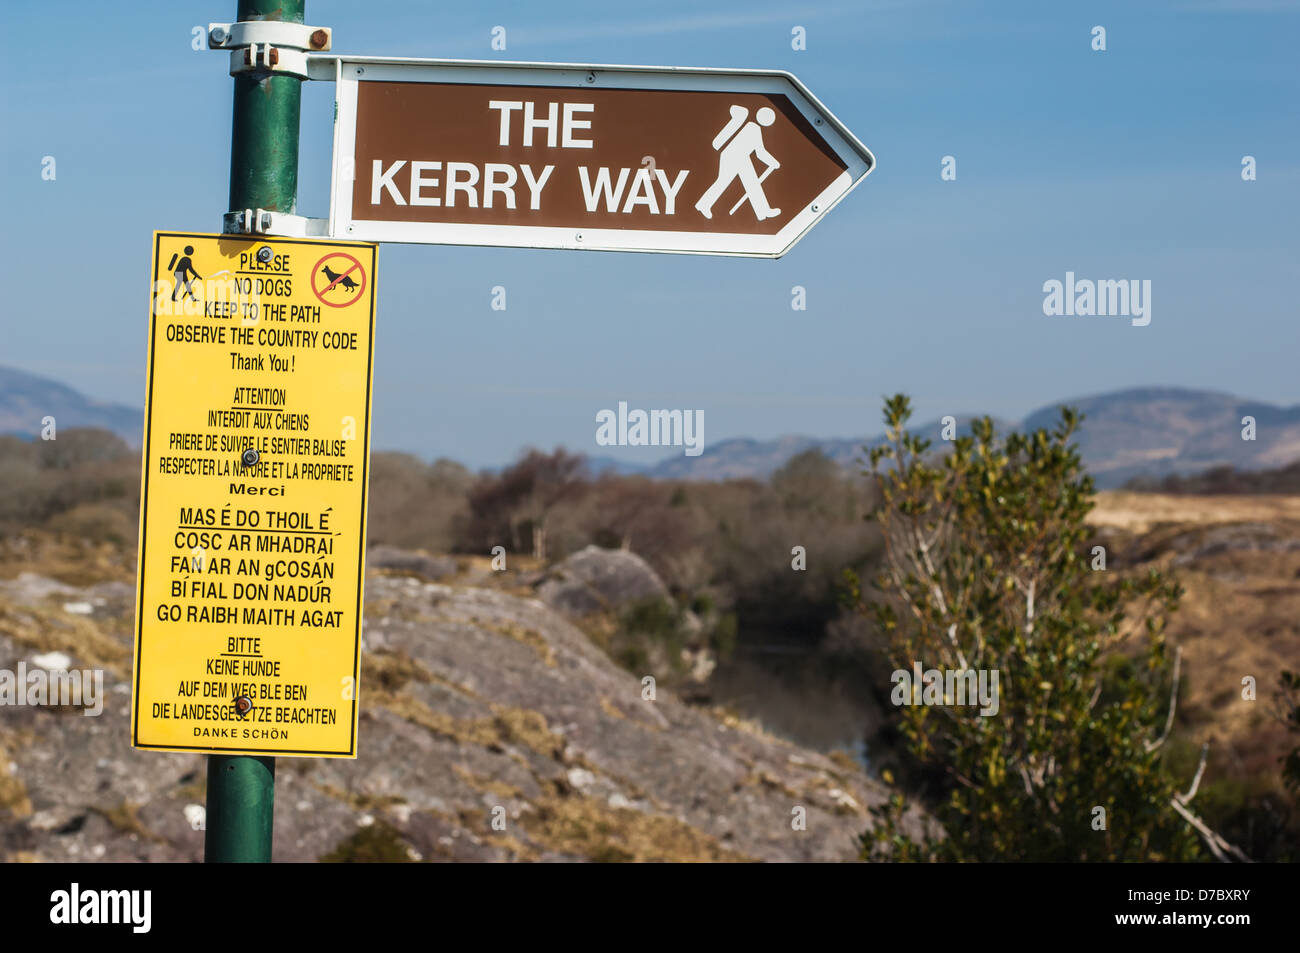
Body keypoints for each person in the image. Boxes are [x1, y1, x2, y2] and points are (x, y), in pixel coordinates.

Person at [695, 106, 782, 221]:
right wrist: (773, 162)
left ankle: (763, 212)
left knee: (752, 183)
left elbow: (759, 152)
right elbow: (760, 153)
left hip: (740, 158)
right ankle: (703, 205)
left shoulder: (752, 127)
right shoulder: (753, 128)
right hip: (733, 157)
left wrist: (773, 162)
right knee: (724, 182)